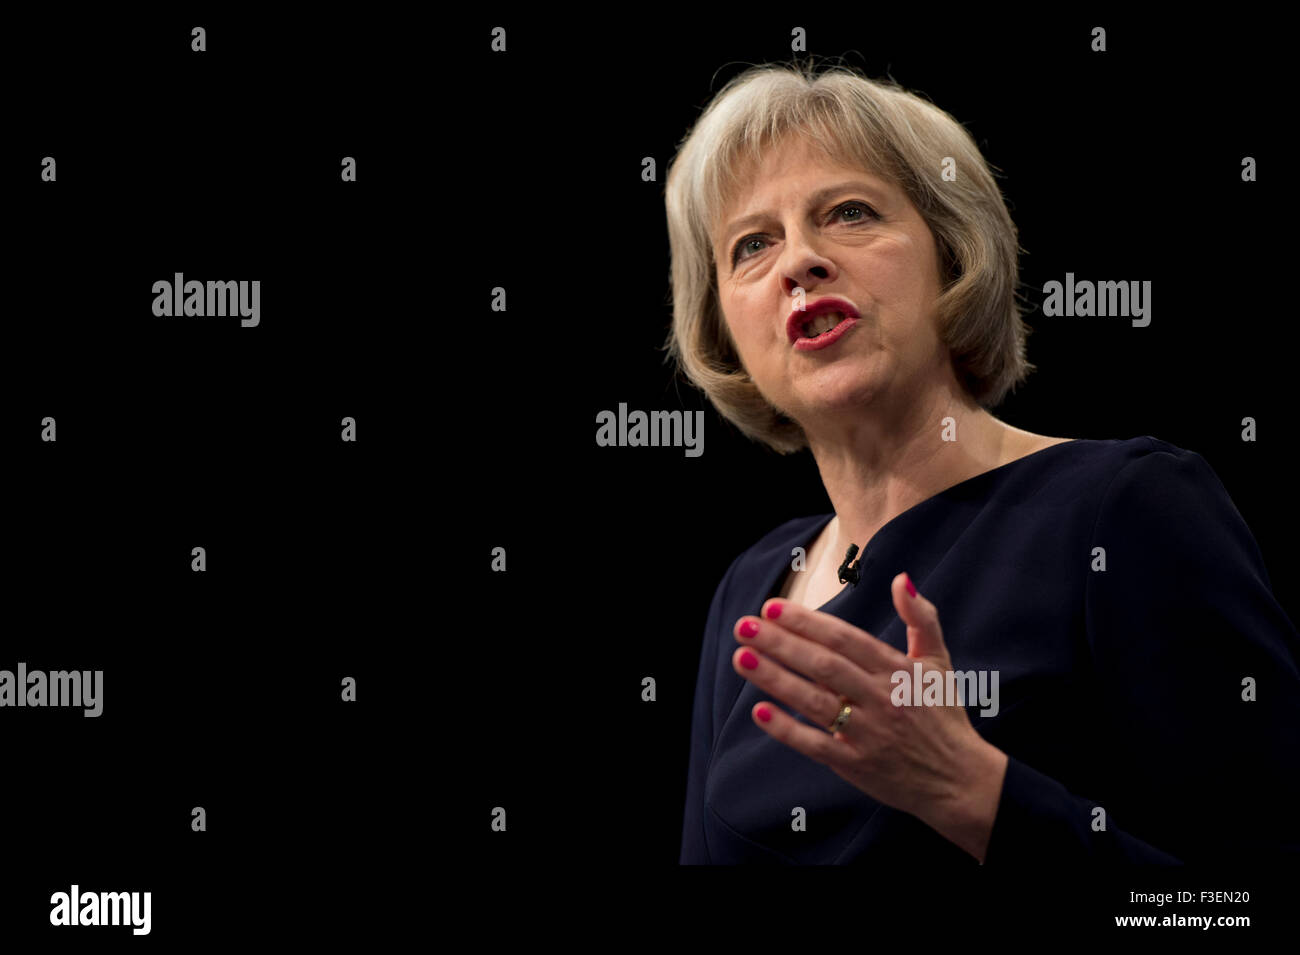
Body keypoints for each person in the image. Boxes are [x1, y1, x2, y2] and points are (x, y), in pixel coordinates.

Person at [663, 61, 1300, 865]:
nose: (800, 262)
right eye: (752, 245)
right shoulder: (753, 587)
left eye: (850, 213)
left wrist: (977, 796)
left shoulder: (1125, 510)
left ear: (954, 254)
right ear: (720, 324)